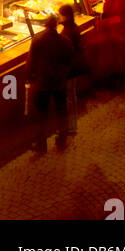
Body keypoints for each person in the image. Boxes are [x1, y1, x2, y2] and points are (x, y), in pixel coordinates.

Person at [26, 14, 74, 154]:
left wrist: (30, 77)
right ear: (57, 25)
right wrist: (64, 72)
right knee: (61, 110)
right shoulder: (64, 41)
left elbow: (31, 62)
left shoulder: (38, 40)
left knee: (41, 114)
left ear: (46, 25)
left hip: (43, 82)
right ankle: (62, 138)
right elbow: (71, 58)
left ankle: (41, 145)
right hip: (59, 81)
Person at [58, 3, 88, 138]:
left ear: (64, 16)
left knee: (69, 98)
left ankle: (71, 127)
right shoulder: (73, 28)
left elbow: (66, 53)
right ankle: (72, 125)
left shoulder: (66, 33)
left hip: (69, 69)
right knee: (71, 96)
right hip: (74, 67)